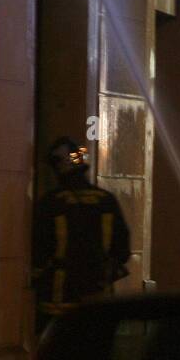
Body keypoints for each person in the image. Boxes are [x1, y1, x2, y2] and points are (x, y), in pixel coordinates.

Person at [32, 137, 131, 333]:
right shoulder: (107, 201)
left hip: (59, 297)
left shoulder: (51, 202)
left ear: (58, 166)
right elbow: (122, 249)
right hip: (99, 294)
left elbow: (39, 249)